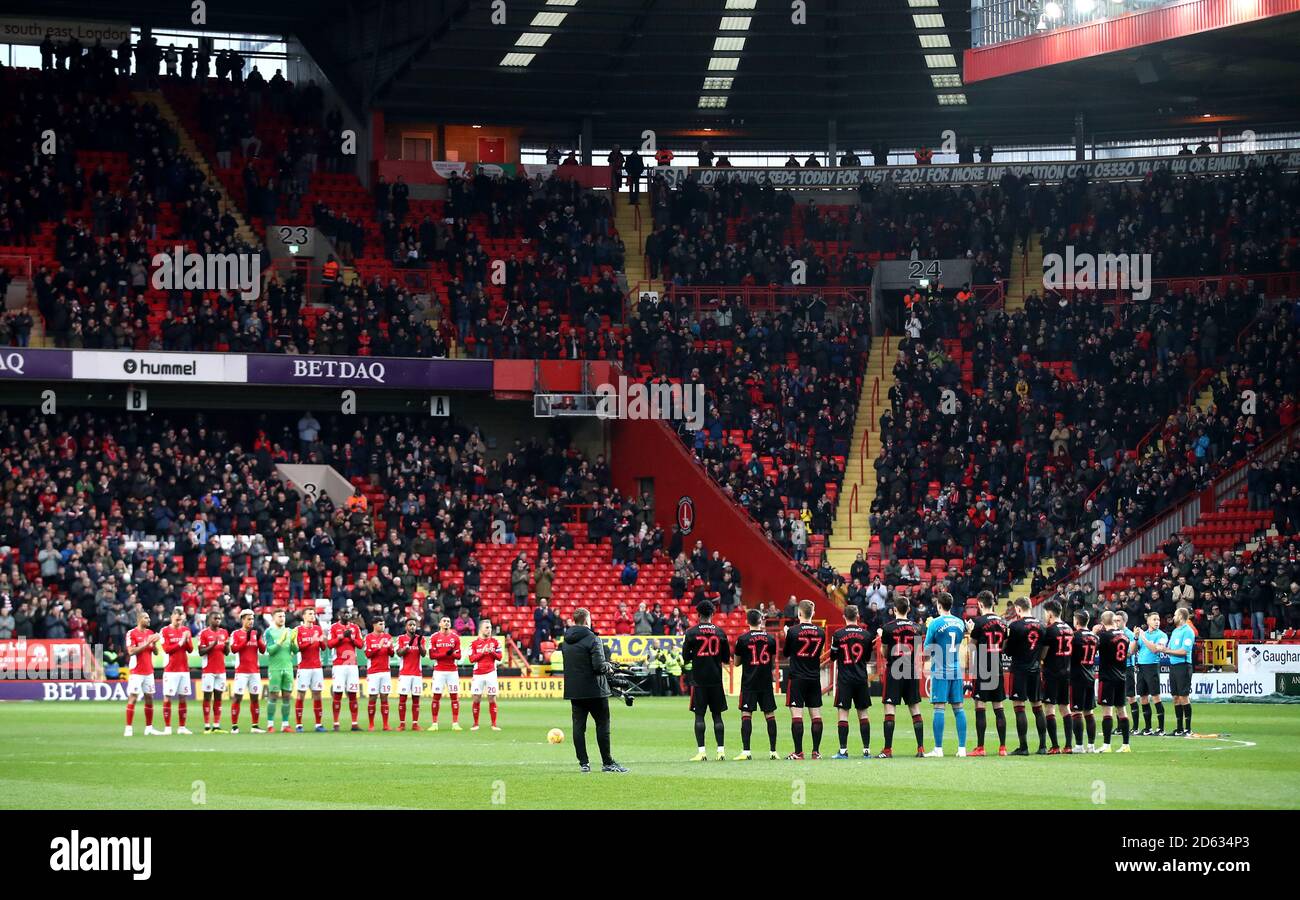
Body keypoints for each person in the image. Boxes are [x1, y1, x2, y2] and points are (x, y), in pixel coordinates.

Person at [562, 607, 628, 773]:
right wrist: (609, 666)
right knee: (602, 725)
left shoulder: (566, 640)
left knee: (578, 727)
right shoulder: (593, 638)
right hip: (594, 689)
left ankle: (584, 763)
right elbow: (598, 666)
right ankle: (607, 763)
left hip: (575, 690)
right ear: (586, 620)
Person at [683, 599, 731, 761]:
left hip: (699, 680)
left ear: (698, 614)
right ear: (712, 614)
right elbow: (726, 658)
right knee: (717, 716)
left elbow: (685, 657)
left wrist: (695, 655)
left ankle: (702, 752)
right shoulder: (720, 632)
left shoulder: (690, 632)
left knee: (699, 715)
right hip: (716, 680)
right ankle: (721, 751)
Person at [877, 595, 924, 758]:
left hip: (894, 670)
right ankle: (920, 749)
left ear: (894, 610)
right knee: (914, 708)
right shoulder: (917, 628)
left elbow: (883, 651)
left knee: (890, 708)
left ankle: (888, 750)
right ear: (909, 609)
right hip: (911, 669)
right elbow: (918, 651)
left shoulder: (888, 628)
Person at [923, 592, 966, 757]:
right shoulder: (960, 622)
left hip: (940, 670)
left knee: (939, 707)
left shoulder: (935, 623)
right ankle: (962, 749)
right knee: (959, 708)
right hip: (956, 669)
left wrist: (929, 630)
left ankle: (938, 749)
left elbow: (927, 651)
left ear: (939, 606)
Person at [783, 599, 827, 759]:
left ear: (799, 613)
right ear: (813, 614)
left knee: (797, 715)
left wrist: (786, 635)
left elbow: (786, 653)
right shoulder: (821, 632)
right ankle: (816, 751)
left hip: (797, 677)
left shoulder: (793, 631)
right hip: (814, 677)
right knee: (816, 714)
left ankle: (799, 752)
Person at [733, 608, 779, 759]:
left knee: (746, 714)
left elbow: (736, 663)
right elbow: (771, 659)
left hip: (749, 682)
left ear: (747, 621)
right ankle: (773, 752)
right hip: (765, 682)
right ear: (761, 621)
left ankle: (746, 752)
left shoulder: (742, 639)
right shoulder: (771, 639)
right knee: (770, 715)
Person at [830, 604, 874, 759]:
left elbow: (833, 657)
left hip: (845, 679)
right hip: (861, 678)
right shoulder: (867, 635)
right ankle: (866, 750)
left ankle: (843, 751)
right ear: (858, 616)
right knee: (863, 714)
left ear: (844, 616)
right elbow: (867, 657)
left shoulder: (838, 634)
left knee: (843, 714)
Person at [967, 590, 1008, 756]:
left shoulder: (979, 622)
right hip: (997, 666)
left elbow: (972, 646)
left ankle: (981, 747)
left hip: (983, 666)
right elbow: (1004, 645)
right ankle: (1003, 747)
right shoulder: (1003, 622)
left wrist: (971, 632)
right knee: (998, 705)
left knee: (980, 705)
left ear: (980, 604)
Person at [1006, 597, 1047, 755]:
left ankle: (1023, 747)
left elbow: (1009, 651)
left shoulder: (1015, 626)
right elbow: (1043, 650)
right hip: (1036, 670)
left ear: (1018, 608)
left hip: (1020, 671)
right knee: (1037, 707)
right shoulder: (1042, 626)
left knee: (1019, 707)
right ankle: (1043, 746)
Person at [1094, 610, 1133, 752]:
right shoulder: (1125, 636)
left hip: (1108, 677)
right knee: (1122, 710)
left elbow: (1092, 648)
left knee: (1107, 711)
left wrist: (1094, 633)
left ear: (1103, 622)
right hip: (1122, 677)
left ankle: (1106, 745)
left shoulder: (1103, 636)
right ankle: (1126, 745)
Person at [1040, 599, 1074, 754]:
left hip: (1052, 672)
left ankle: (1054, 746)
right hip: (1066, 672)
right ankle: (1068, 745)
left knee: (1049, 708)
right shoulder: (1069, 628)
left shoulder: (1050, 630)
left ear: (1050, 613)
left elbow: (1043, 654)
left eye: (1045, 613)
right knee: (1065, 708)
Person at [124, 611, 161, 737]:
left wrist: (154, 644)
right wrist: (147, 643)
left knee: (149, 698)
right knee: (133, 698)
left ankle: (149, 728)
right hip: (136, 671)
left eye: (149, 617)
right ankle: (128, 728)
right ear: (139, 619)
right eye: (146, 617)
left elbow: (155, 652)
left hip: (149, 671)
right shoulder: (131, 633)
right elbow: (131, 651)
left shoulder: (150, 633)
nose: (149, 619)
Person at [229, 610, 266, 733]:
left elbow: (262, 650)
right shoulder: (236, 633)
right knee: (237, 698)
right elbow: (234, 649)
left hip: (254, 671)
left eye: (252, 619)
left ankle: (255, 726)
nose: (251, 621)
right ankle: (234, 726)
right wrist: (246, 639)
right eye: (248, 619)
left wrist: (260, 638)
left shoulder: (256, 633)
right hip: (241, 672)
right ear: (242, 620)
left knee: (255, 698)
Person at [1069, 609, 1100, 753]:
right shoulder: (1095, 637)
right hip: (1090, 675)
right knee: (1089, 712)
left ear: (1076, 621)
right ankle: (1091, 745)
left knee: (1076, 711)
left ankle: (1079, 745)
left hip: (1077, 676)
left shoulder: (1074, 636)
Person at [159, 607, 194, 735]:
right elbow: (167, 649)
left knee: (183, 698)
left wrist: (187, 639)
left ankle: (182, 727)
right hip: (171, 669)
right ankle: (167, 727)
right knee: (167, 697)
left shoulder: (186, 630)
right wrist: (181, 641)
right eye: (177, 618)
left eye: (181, 619)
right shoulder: (165, 631)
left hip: (184, 669)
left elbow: (190, 649)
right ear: (172, 617)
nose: (179, 621)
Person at [293, 606, 327, 732]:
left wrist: (322, 640)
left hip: (317, 667)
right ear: (304, 616)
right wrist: (311, 641)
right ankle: (298, 724)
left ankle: (318, 724)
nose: (313, 616)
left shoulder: (318, 629)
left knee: (317, 694)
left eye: (313, 614)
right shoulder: (298, 630)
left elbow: (323, 647)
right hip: (304, 667)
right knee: (301, 694)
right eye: (310, 614)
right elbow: (298, 648)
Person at [1134, 611, 1167, 735]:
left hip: (1152, 666)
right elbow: (1133, 650)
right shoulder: (1143, 634)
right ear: (1148, 621)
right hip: (1141, 667)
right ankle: (1148, 728)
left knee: (1155, 696)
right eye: (1154, 619)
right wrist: (1136, 638)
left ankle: (1161, 728)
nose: (1157, 621)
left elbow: (1154, 649)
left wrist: (1143, 637)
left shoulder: (1162, 635)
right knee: (1143, 697)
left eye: (1158, 619)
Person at [197, 609, 229, 733]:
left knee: (218, 697)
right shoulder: (204, 633)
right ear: (210, 620)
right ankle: (206, 726)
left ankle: (216, 725)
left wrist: (226, 645)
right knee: (207, 697)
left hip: (221, 670)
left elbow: (226, 652)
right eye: (215, 618)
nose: (218, 620)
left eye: (219, 618)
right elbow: (201, 652)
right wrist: (213, 644)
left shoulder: (224, 632)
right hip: (208, 670)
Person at [427, 615, 463, 731]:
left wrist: (451, 654)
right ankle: (434, 723)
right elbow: (432, 656)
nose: (447, 623)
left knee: (454, 696)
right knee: (436, 696)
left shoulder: (456, 638)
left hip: (452, 671)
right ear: (440, 624)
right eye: (444, 621)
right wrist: (445, 654)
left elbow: (458, 655)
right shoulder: (434, 637)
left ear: (450, 624)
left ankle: (455, 723)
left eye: (448, 621)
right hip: (439, 671)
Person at [264, 609, 295, 732]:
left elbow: (295, 650)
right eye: (279, 616)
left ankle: (285, 725)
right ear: (273, 618)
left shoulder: (290, 631)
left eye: (283, 616)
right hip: (275, 668)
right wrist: (280, 642)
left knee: (287, 696)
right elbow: (270, 650)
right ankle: (270, 724)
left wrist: (293, 643)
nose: (282, 618)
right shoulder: (269, 632)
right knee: (274, 695)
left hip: (288, 667)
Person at [469, 619, 503, 731]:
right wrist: (483, 652)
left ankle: (494, 724)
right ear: (481, 629)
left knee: (492, 698)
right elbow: (471, 659)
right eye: (487, 627)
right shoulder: (474, 644)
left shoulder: (495, 642)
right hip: (478, 674)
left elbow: (499, 657)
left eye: (490, 628)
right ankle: (475, 724)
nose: (489, 630)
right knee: (476, 698)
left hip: (491, 673)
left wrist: (491, 651)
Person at [362, 618, 395, 731]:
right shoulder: (368, 638)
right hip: (373, 672)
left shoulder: (388, 637)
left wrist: (390, 647)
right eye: (380, 624)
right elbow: (367, 654)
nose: (383, 626)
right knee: (372, 697)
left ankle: (386, 724)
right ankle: (371, 724)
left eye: (383, 624)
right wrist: (379, 647)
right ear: (374, 625)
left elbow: (391, 654)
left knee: (384, 696)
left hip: (385, 671)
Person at [396, 618, 425, 730]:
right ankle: (402, 724)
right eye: (410, 625)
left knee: (416, 699)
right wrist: (407, 646)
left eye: (414, 625)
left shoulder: (420, 639)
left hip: (417, 674)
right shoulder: (401, 638)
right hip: (405, 674)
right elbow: (399, 653)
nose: (412, 626)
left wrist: (418, 645)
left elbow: (423, 654)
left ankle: (415, 724)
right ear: (406, 627)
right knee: (402, 699)